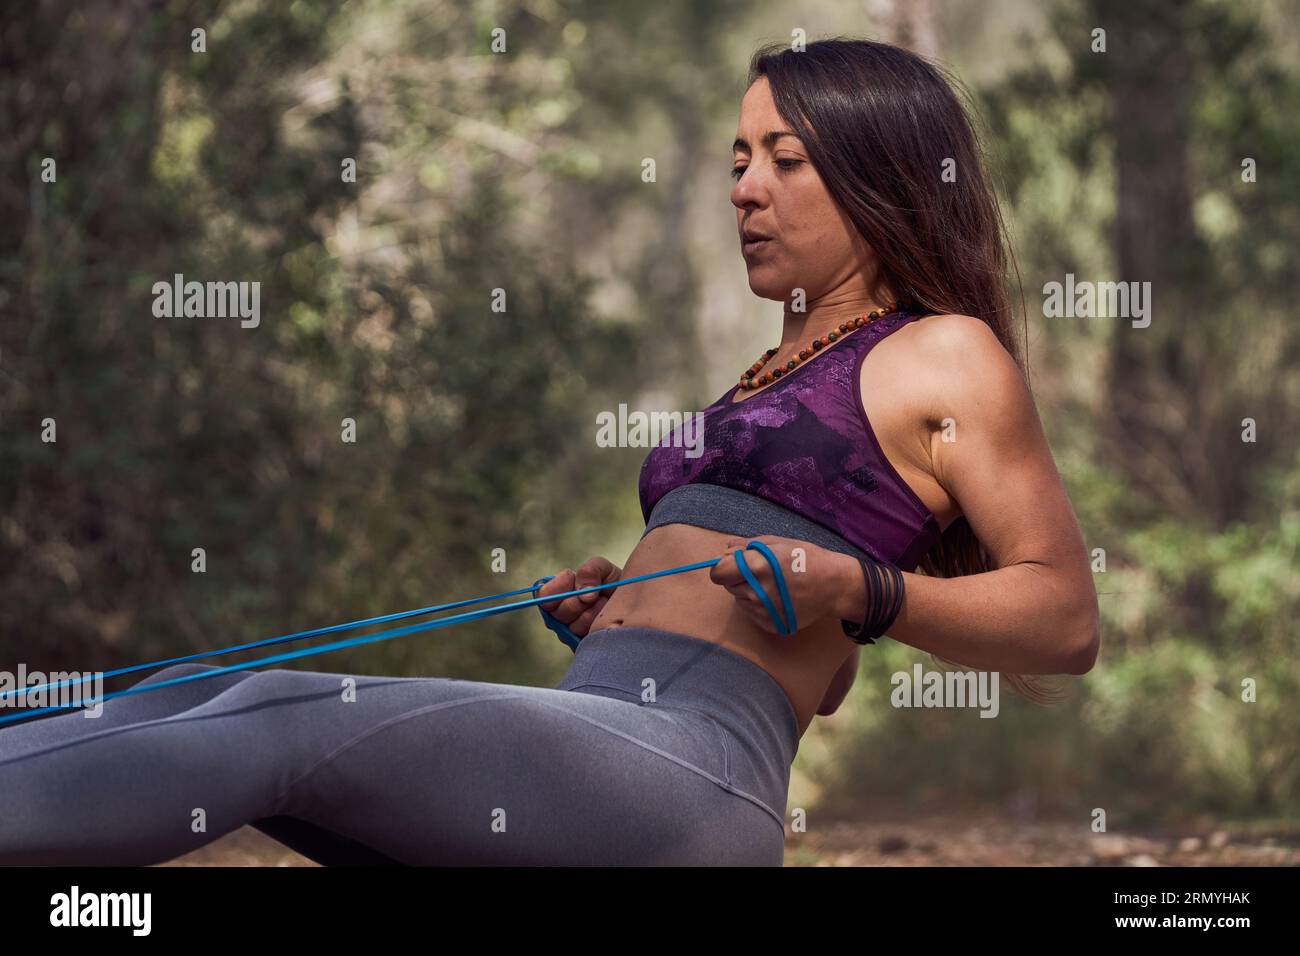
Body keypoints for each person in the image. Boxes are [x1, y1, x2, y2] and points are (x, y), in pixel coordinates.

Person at [0, 38, 1097, 868]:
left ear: (877, 175)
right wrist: (618, 601)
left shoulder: (941, 352)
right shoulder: (769, 370)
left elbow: (1063, 618)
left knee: (277, 712)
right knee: (204, 682)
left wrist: (860, 588)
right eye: (737, 159)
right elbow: (812, 629)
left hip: (689, 776)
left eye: (785, 159)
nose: (743, 188)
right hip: (608, 727)